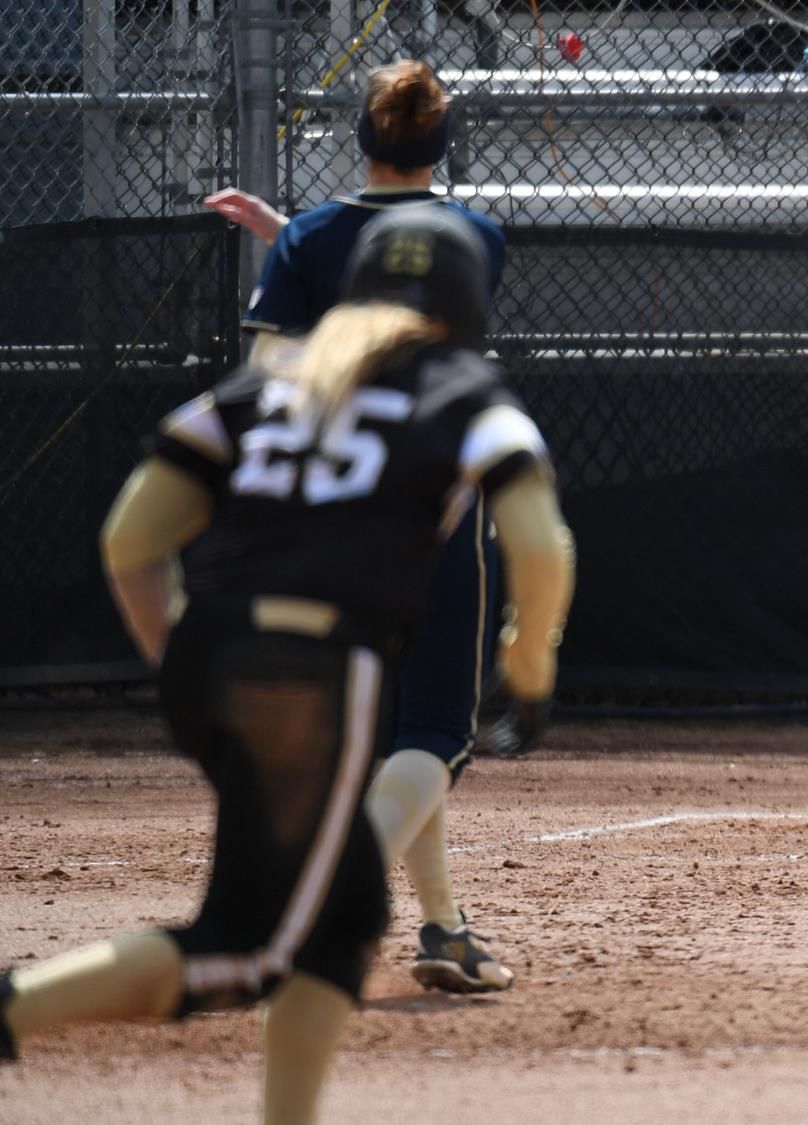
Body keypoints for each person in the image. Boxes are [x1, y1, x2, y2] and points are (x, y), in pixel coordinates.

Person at [0, 207, 575, 1124]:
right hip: (315, 673)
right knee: (251, 949)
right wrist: (530, 667)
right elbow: (541, 546)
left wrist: (182, 662)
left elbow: (129, 541)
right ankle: (13, 1007)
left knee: (342, 923)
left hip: (218, 657)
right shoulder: (464, 386)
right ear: (467, 306)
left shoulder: (269, 378)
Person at [205, 59, 522, 993]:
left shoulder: (311, 238)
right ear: (440, 141)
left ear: (363, 136)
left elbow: (279, 376)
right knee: (438, 734)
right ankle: (321, 903)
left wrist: (290, 242)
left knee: (397, 739)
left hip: (325, 513)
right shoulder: (476, 234)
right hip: (432, 501)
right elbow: (410, 291)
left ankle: (445, 927)